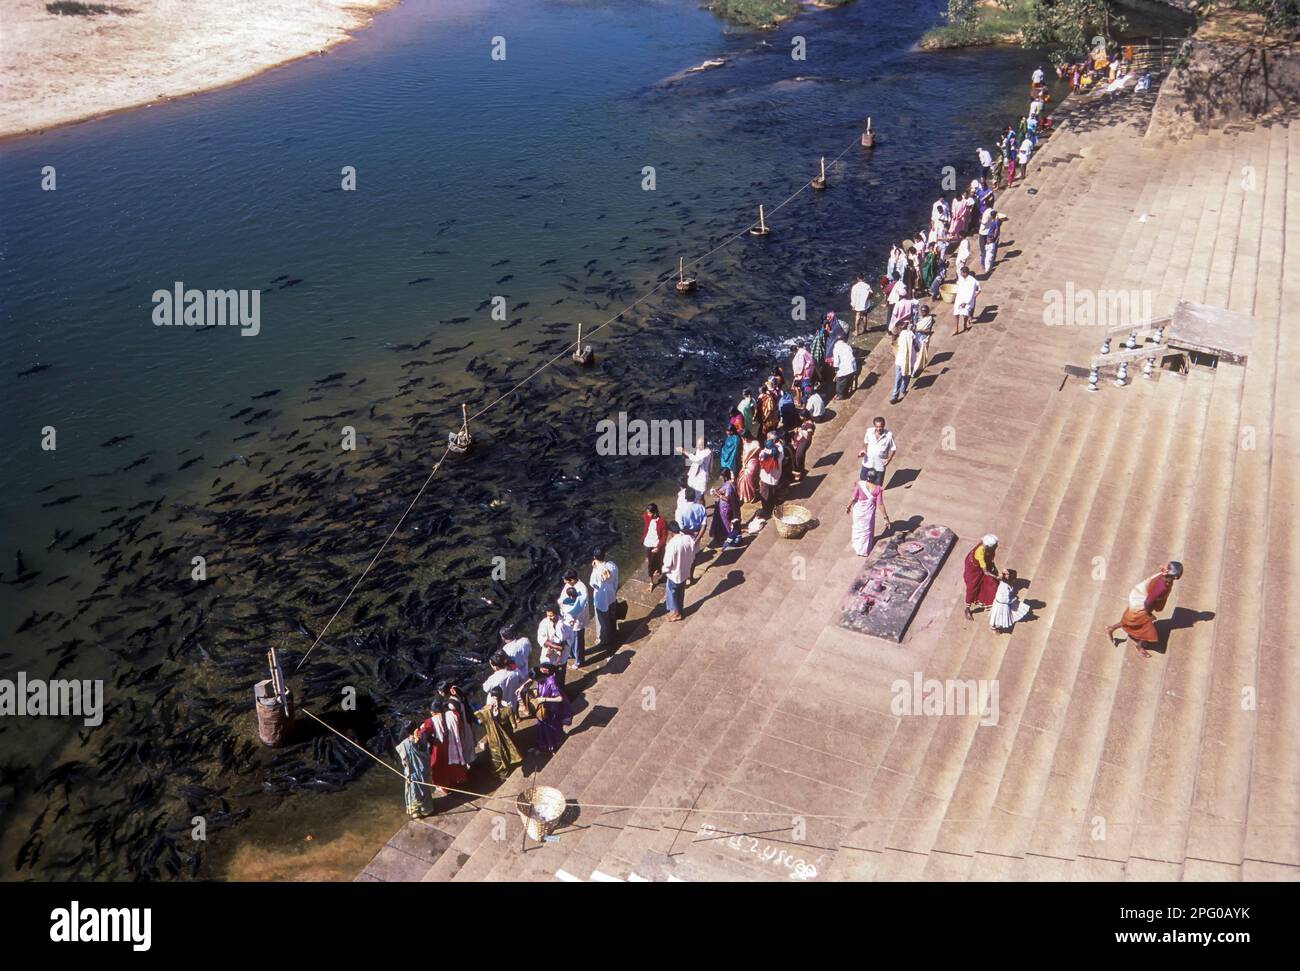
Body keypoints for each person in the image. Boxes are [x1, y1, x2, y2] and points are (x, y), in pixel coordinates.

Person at [1105, 561, 1183, 657]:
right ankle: (1139, 645)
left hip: (1141, 596)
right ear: (1175, 576)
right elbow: (1148, 602)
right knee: (1148, 630)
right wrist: (1149, 614)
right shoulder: (1162, 586)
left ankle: (1111, 628)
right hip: (1142, 602)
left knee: (1132, 619)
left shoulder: (1165, 579)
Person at [475, 688, 523, 780]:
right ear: (501, 697)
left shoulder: (486, 710)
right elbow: (514, 726)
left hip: (493, 738)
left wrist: (488, 712)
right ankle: (507, 769)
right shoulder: (508, 709)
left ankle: (502, 774)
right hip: (506, 736)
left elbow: (480, 722)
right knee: (507, 752)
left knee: (496, 756)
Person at [418, 700, 467, 789]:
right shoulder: (453, 714)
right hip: (454, 744)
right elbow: (460, 725)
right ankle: (458, 780)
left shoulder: (431, 721)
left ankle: (445, 787)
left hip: (440, 748)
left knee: (440, 766)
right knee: (455, 763)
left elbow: (423, 732)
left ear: (433, 712)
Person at [396, 721, 435, 818]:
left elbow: (404, 760)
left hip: (411, 772)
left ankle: (415, 812)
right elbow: (426, 753)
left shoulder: (404, 745)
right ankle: (426, 809)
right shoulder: (422, 738)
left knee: (413, 791)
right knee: (424, 789)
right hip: (422, 771)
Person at [530, 663, 571, 753]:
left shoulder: (551, 682)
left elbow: (560, 698)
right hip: (543, 708)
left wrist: (544, 699)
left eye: (537, 680)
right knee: (541, 728)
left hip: (552, 710)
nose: (537, 682)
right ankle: (542, 746)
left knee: (552, 729)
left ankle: (552, 746)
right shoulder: (540, 679)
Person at [662, 521, 696, 621]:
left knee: (673, 595)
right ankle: (680, 610)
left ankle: (677, 614)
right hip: (685, 571)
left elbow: (668, 564)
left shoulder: (671, 545)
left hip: (674, 574)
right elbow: (693, 555)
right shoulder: (689, 539)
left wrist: (664, 570)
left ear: (670, 532)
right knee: (681, 593)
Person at [963, 534, 1001, 619]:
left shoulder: (988, 549)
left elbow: (990, 561)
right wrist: (996, 576)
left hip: (982, 568)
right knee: (972, 588)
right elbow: (985, 571)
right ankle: (967, 609)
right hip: (974, 571)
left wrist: (994, 569)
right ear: (988, 546)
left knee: (991, 584)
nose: (997, 546)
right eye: (995, 545)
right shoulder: (980, 552)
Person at [589, 547, 619, 653]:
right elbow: (615, 580)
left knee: (603, 622)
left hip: (602, 601)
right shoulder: (612, 565)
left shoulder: (596, 572)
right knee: (612, 617)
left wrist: (594, 568)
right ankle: (613, 633)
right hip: (611, 597)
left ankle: (605, 640)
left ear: (594, 557)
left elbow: (593, 584)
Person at [557, 569, 590, 668]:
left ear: (572, 580)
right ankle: (571, 654)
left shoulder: (582, 589)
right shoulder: (568, 585)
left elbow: (580, 608)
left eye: (566, 580)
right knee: (569, 639)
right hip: (568, 619)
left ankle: (579, 661)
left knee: (577, 642)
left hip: (577, 621)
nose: (564, 582)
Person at [537, 605, 574, 688]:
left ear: (557, 614)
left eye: (551, 615)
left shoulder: (565, 624)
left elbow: (571, 639)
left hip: (562, 656)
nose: (549, 618)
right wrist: (554, 646)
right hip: (548, 656)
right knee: (545, 675)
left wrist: (561, 645)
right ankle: (548, 691)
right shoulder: (544, 623)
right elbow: (541, 639)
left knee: (560, 674)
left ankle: (561, 691)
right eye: (547, 615)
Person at [482, 650, 526, 716]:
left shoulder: (493, 678)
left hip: (499, 708)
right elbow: (522, 679)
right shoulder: (515, 672)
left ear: (495, 667)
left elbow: (485, 688)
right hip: (512, 704)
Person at [709, 469, 743, 548]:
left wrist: (717, 494)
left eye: (721, 476)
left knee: (726, 523)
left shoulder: (729, 486)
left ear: (724, 477)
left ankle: (729, 537)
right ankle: (725, 536)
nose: (720, 478)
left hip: (725, 508)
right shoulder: (727, 484)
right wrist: (717, 491)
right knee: (723, 522)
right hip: (723, 507)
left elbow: (727, 498)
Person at [846, 478, 879, 557]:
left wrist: (848, 506)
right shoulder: (877, 489)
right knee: (867, 530)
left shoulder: (859, 485)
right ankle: (864, 550)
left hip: (858, 511)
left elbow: (853, 498)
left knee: (858, 528)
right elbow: (880, 503)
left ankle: (857, 547)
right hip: (869, 512)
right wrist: (885, 517)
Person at [643, 502, 668, 585]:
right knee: (650, 564)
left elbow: (664, 536)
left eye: (649, 513)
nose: (647, 514)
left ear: (654, 513)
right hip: (648, 543)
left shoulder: (662, 521)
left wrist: (659, 547)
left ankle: (657, 570)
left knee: (657, 561)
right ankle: (651, 582)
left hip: (656, 544)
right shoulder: (647, 517)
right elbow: (644, 517)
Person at [891, 319, 915, 404]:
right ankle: (902, 391)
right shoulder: (910, 335)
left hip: (902, 360)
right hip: (906, 360)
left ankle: (896, 395)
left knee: (899, 378)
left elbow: (894, 345)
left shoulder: (902, 336)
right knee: (905, 377)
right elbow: (917, 346)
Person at [757, 439, 781, 519]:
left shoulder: (765, 456)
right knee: (772, 494)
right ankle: (772, 509)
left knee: (765, 497)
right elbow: (779, 447)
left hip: (766, 479)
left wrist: (765, 452)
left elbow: (760, 459)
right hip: (775, 479)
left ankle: (767, 512)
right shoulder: (780, 454)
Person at [953, 265, 980, 335]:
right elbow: (958, 286)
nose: (961, 274)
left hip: (967, 300)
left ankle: (965, 326)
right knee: (956, 313)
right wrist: (955, 296)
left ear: (965, 273)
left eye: (961, 272)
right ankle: (956, 329)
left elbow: (971, 293)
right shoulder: (961, 278)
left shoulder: (972, 281)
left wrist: (965, 302)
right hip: (959, 298)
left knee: (965, 314)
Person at [913, 304, 935, 375]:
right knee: (915, 352)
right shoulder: (917, 318)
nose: (923, 313)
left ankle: (918, 367)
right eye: (922, 311)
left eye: (925, 311)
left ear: (927, 312)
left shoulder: (930, 319)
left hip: (923, 338)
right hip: (916, 337)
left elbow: (929, 331)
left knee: (922, 353)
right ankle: (915, 365)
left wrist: (919, 330)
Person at [832, 334, 856, 399]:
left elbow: (836, 362)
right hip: (853, 367)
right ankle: (846, 391)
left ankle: (840, 395)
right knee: (848, 379)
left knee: (840, 380)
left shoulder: (836, 348)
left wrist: (836, 371)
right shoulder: (847, 346)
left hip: (845, 368)